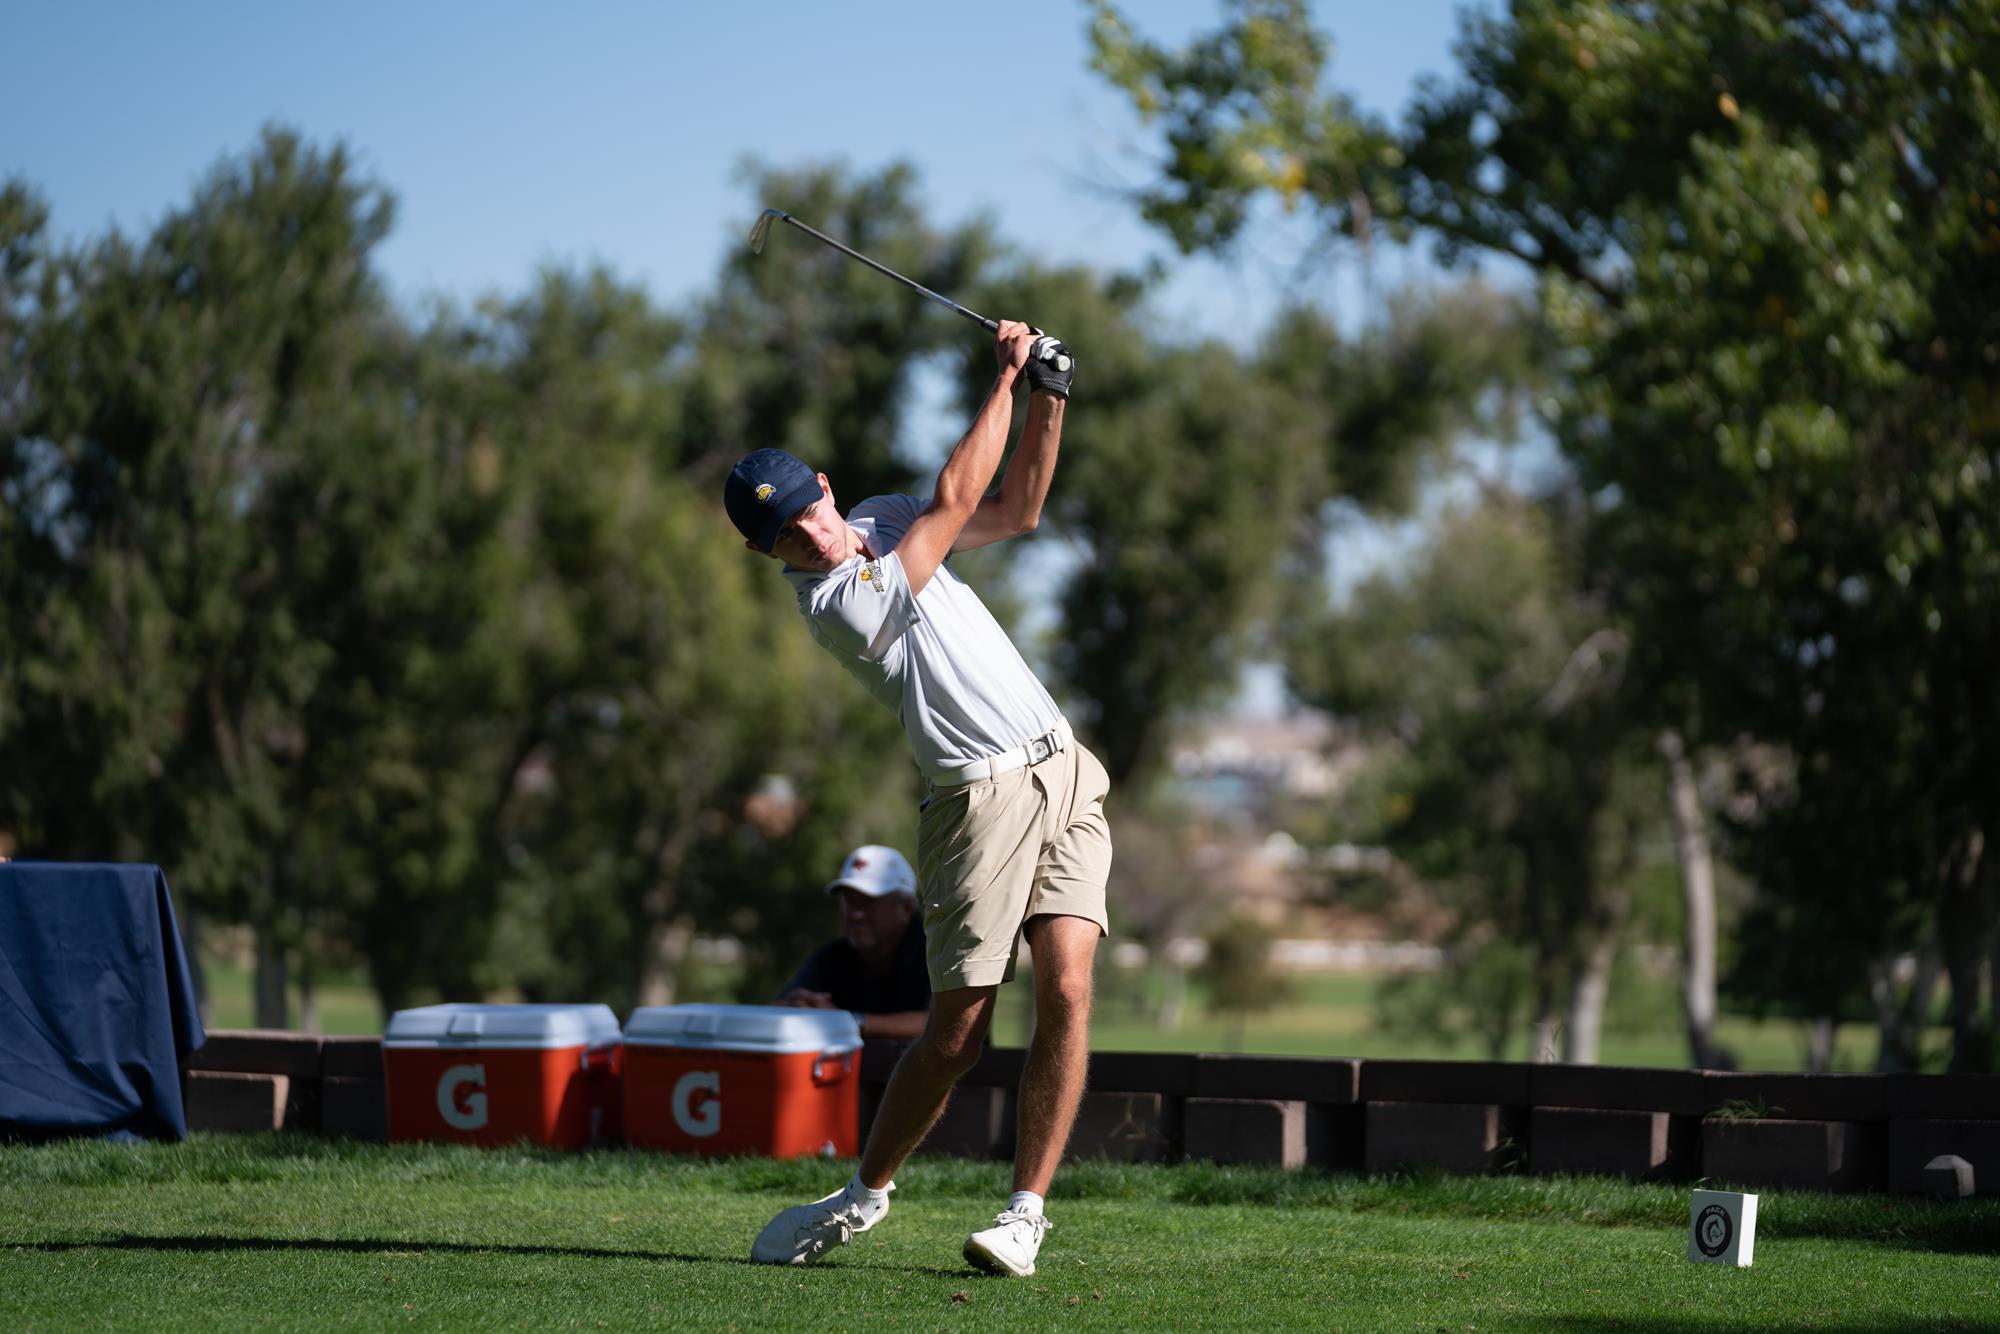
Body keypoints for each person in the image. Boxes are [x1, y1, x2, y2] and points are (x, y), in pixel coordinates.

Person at [724, 320, 1108, 1278]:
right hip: (976, 808)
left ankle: (1024, 1215)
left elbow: (1014, 509)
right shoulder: (834, 604)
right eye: (788, 537)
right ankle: (864, 1194)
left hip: (1063, 768)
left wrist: (1050, 397)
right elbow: (957, 496)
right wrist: (1007, 377)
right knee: (957, 1037)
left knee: (1067, 989)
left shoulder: (884, 514)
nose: (813, 536)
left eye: (811, 512)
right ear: (770, 552)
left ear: (823, 484)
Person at [778, 844, 929, 1041]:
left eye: (869, 901)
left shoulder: (938, 954)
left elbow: (949, 1024)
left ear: (906, 908)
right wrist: (795, 1007)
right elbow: (777, 1010)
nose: (856, 914)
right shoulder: (832, 957)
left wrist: (847, 1022)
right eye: (850, 901)